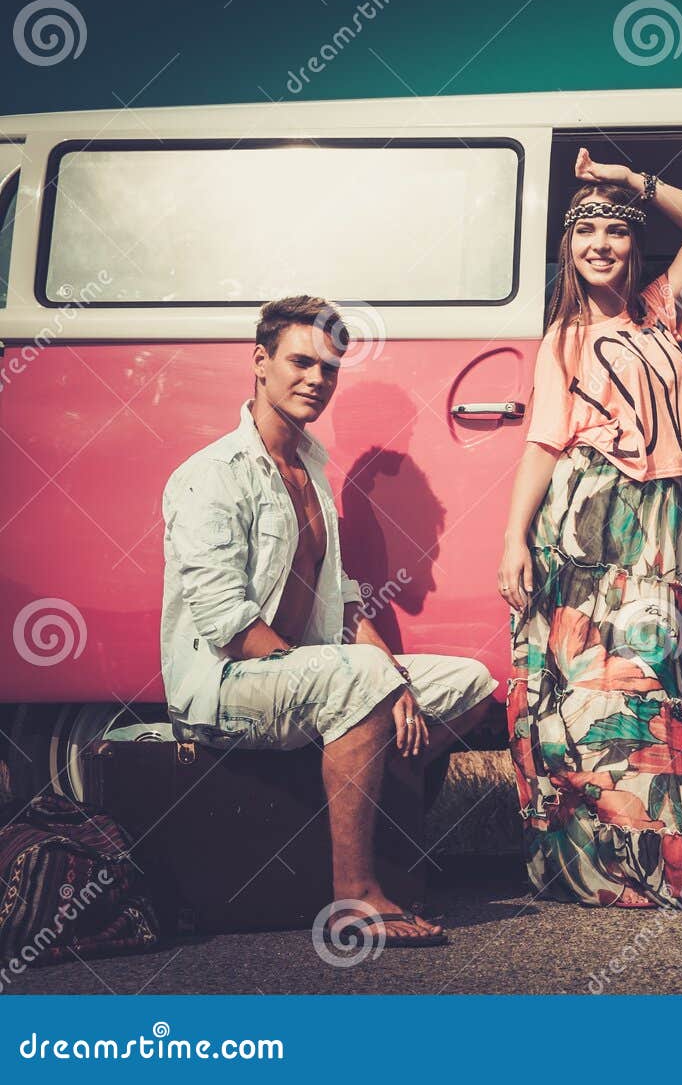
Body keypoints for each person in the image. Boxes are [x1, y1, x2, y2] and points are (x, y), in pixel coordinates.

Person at [161, 295, 500, 949]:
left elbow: (344, 608)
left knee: (471, 682)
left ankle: (362, 812)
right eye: (300, 361)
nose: (316, 379)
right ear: (259, 362)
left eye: (330, 369)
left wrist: (390, 674)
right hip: (226, 682)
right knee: (361, 680)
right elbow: (227, 624)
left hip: (315, 676)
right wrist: (368, 676)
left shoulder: (313, 472)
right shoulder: (211, 475)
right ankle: (356, 893)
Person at [499, 150, 682, 911]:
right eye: (586, 233)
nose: (600, 244)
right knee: (587, 697)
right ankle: (596, 865)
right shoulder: (563, 337)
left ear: (633, 246)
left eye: (614, 231)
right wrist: (513, 539)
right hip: (583, 521)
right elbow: (543, 442)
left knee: (647, 686)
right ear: (568, 250)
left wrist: (626, 176)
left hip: (651, 524)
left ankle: (658, 860)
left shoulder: (661, 308)